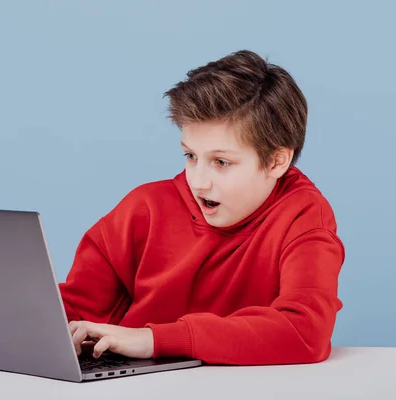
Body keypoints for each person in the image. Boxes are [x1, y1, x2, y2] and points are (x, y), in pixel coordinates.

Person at [58, 50, 345, 366]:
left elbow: (305, 331)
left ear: (277, 161)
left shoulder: (303, 216)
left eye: (221, 162)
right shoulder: (143, 210)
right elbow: (73, 314)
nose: (198, 182)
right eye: (191, 156)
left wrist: (154, 340)